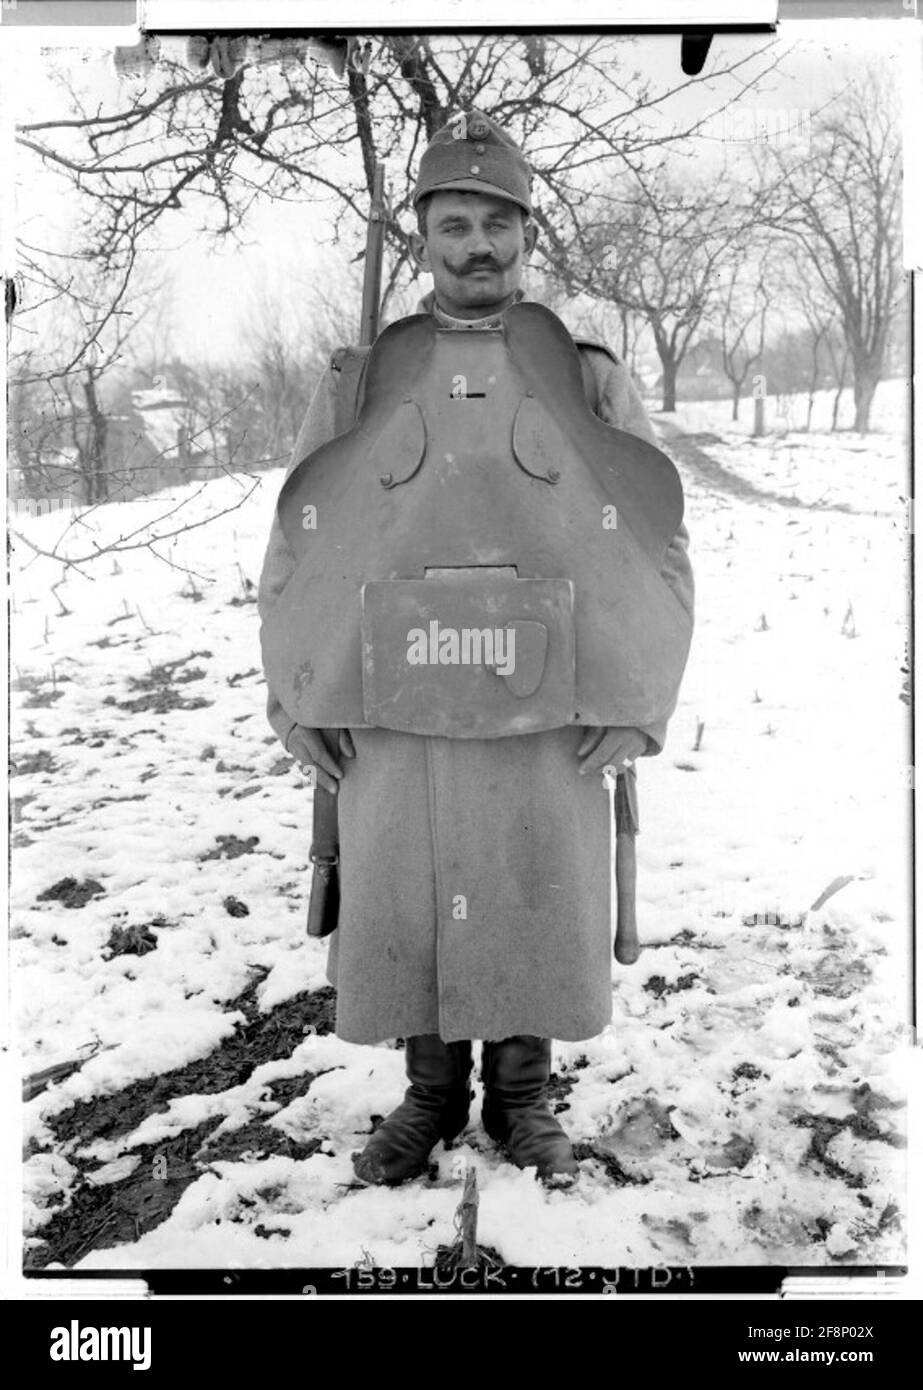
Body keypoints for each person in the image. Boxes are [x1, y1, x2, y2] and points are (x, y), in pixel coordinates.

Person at [258, 111, 694, 1189]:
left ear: (526, 233)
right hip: (390, 694)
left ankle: (520, 1098)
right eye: (454, 223)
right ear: (420, 237)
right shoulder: (357, 380)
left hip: (543, 692)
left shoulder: (584, 376)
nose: (478, 246)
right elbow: (298, 538)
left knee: (527, 888)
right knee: (407, 885)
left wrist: (634, 691)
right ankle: (428, 1093)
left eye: (498, 222)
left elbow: (653, 537)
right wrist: (299, 693)